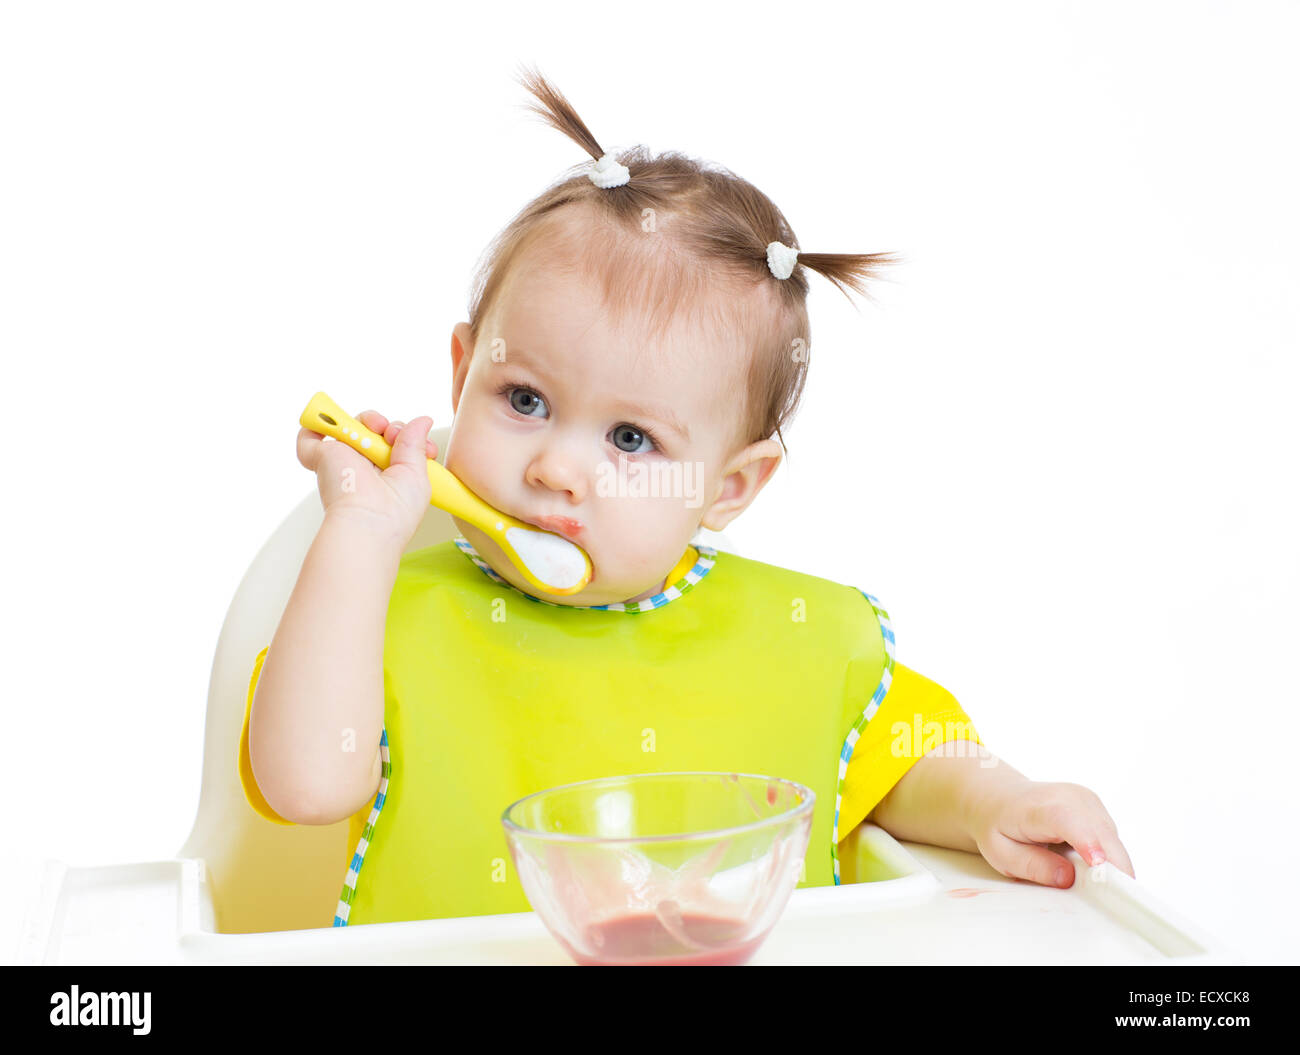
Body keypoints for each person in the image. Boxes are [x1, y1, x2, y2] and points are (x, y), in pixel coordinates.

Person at [238, 67, 1134, 928]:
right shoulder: (378, 617)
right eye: (525, 400)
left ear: (728, 486)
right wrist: (358, 530)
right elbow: (309, 782)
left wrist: (999, 802)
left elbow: (903, 759)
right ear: (465, 374)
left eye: (631, 440)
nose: (557, 466)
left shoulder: (799, 639)